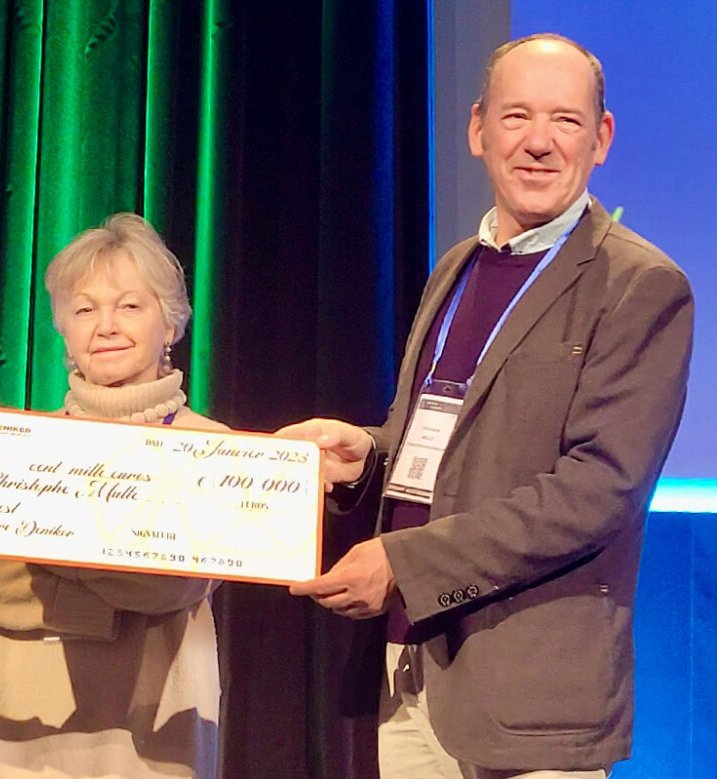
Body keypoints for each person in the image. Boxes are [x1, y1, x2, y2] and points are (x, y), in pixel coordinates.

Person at [279, 34, 693, 779]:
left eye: (566, 120)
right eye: (516, 116)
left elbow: (599, 489)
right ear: (477, 130)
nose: (538, 142)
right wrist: (369, 457)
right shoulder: (458, 265)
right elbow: (448, 440)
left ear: (601, 139)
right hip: (411, 670)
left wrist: (405, 563)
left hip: (533, 698)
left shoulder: (639, 284)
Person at [0, 213, 226, 778]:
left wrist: (41, 549)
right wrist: (117, 572)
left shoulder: (212, 447)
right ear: (65, 331)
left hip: (154, 719)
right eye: (84, 310)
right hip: (20, 714)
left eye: (129, 306)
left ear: (169, 324)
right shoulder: (14, 446)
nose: (106, 326)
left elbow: (172, 584)